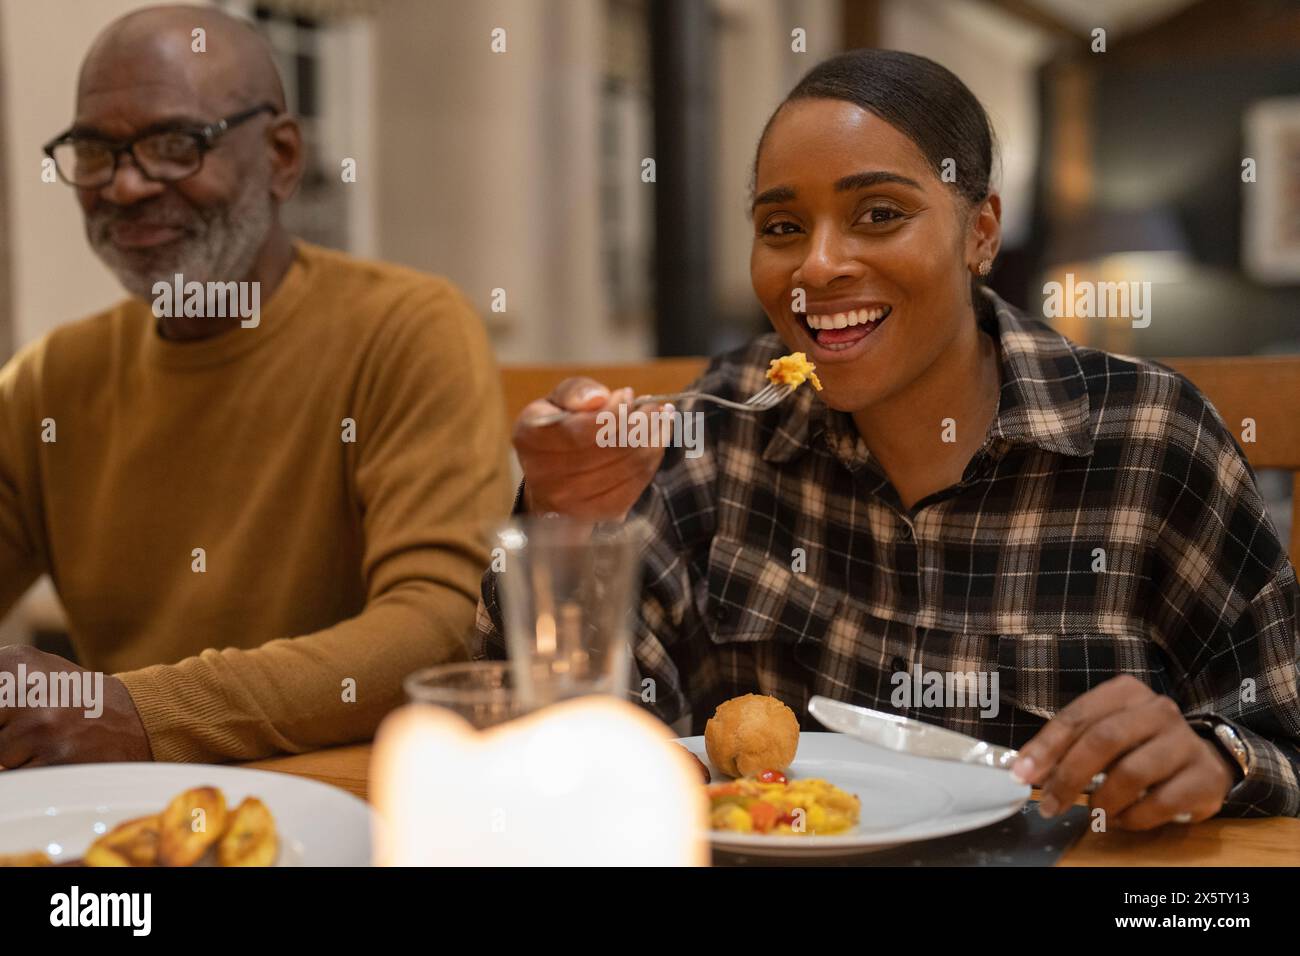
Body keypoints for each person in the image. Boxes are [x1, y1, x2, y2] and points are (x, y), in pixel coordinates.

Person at [479, 49, 1300, 826]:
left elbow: (1280, 730)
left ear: (980, 233)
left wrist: (1217, 759)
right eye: (782, 227)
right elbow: (574, 734)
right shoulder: (718, 427)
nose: (819, 266)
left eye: (879, 214)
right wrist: (564, 527)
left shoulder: (1149, 438)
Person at [0, 5, 511, 766]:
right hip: (126, 825)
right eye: (95, 150)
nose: (127, 185)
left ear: (280, 157)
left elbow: (437, 626)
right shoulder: (51, 382)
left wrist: (145, 714)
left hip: (348, 809)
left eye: (174, 145)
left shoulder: (408, 328)